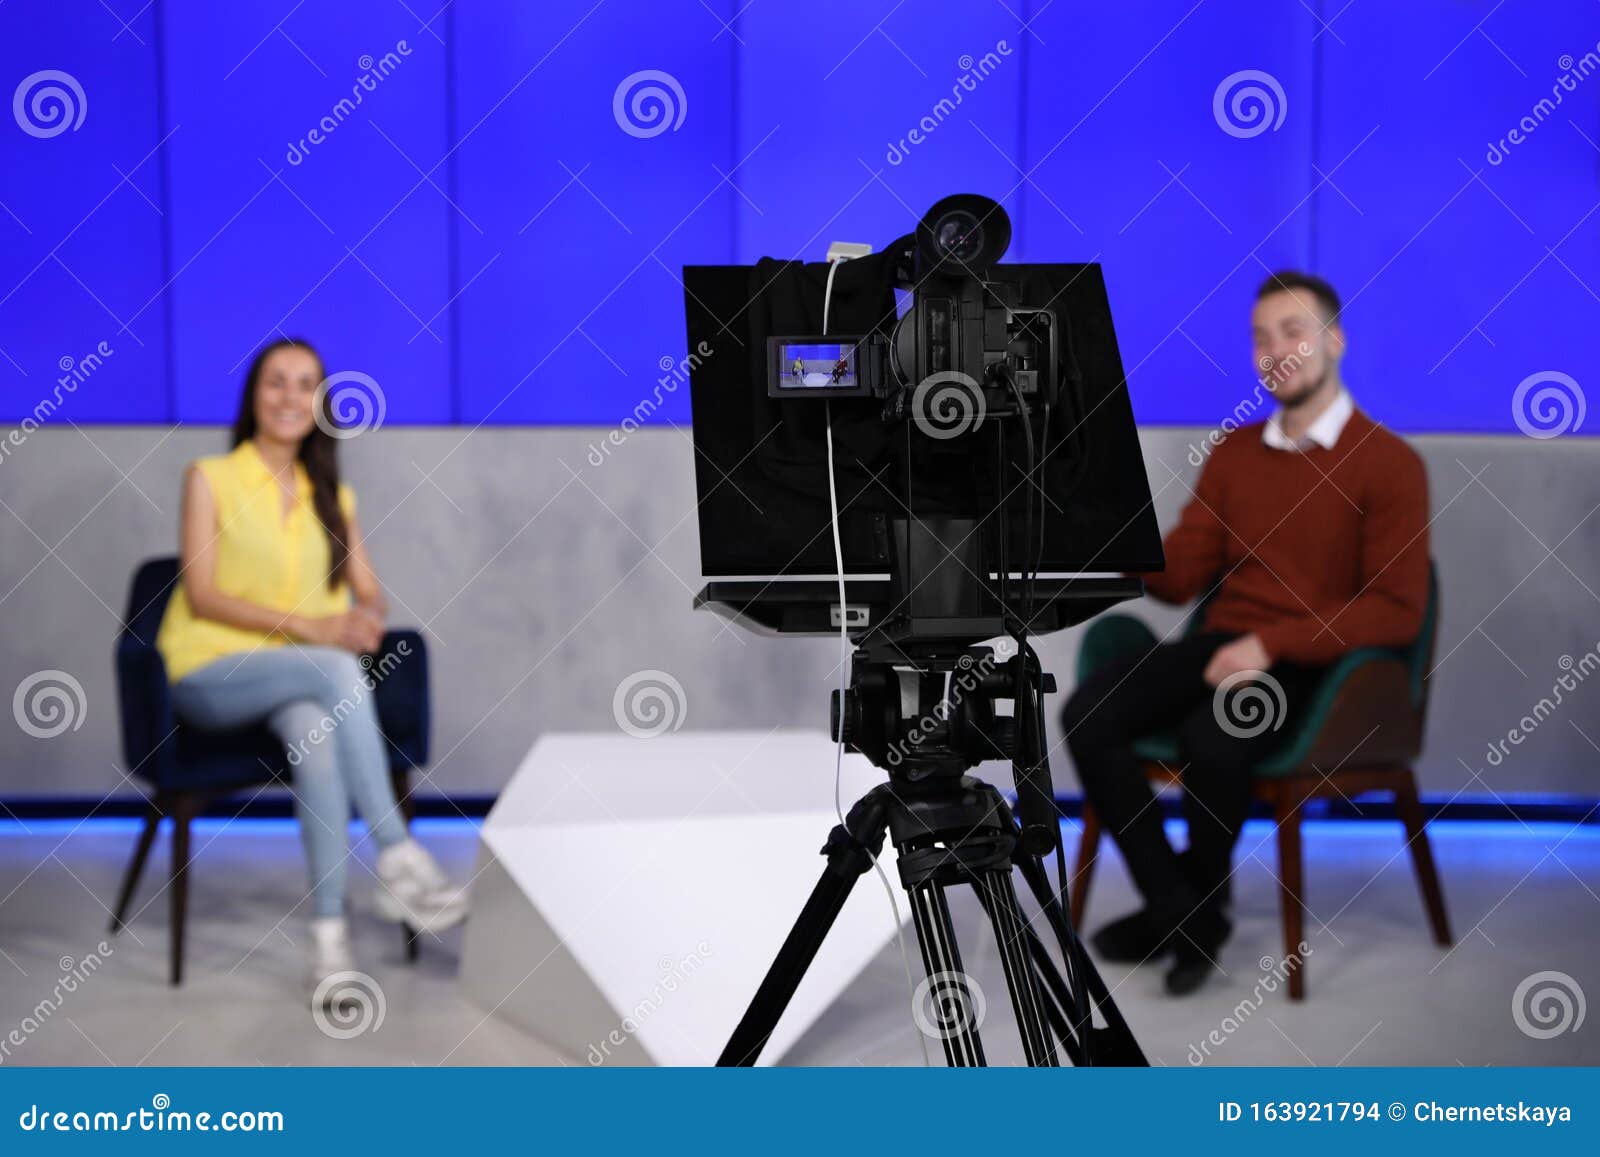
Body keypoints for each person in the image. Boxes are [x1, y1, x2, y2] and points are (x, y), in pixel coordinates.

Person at [1061, 271, 1430, 995]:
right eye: (1261, 337)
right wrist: (1109, 531)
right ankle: (1185, 910)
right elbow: (1181, 575)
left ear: (1334, 341)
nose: (1275, 351)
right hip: (1223, 641)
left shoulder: (1389, 464)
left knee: (1214, 734)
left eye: (1293, 332)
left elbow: (1395, 609)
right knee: (1088, 712)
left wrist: (1272, 646)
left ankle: (1180, 915)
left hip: (1318, 665)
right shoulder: (1235, 454)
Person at [155, 338, 468, 1002]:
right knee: (332, 668)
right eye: (276, 382)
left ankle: (329, 943)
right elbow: (203, 594)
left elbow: (370, 593)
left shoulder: (333, 496)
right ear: (253, 394)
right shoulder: (209, 477)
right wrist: (317, 628)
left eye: (306, 385)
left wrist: (366, 620)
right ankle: (396, 852)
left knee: (315, 733)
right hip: (211, 672)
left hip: (300, 682)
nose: (290, 397)